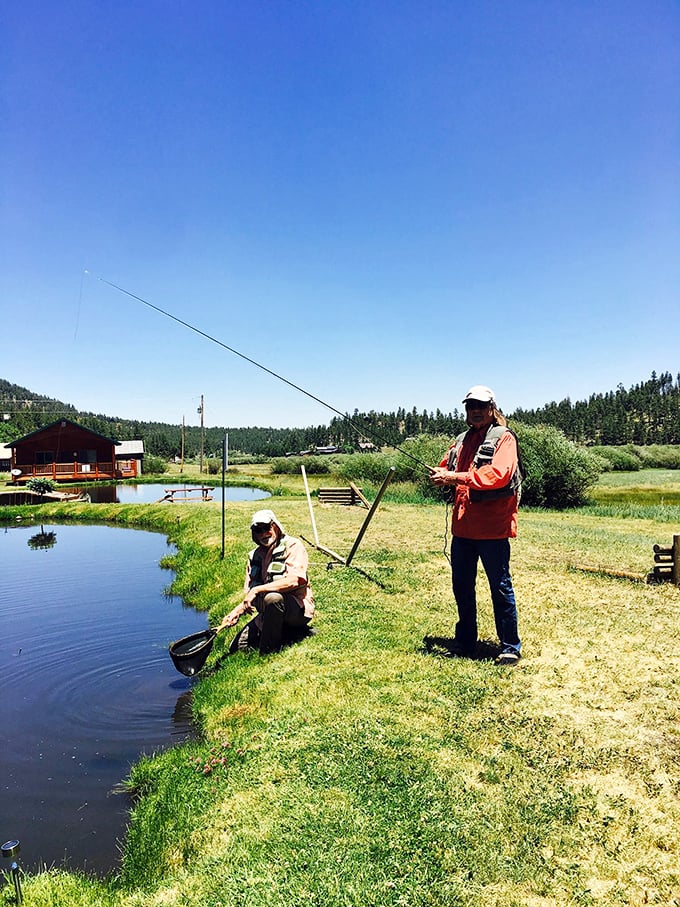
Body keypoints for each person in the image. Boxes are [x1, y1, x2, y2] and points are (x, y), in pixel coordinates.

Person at [429, 385, 522, 665]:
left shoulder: (504, 438)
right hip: (462, 528)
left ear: (492, 408)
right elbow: (447, 467)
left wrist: (454, 477)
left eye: (481, 406)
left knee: (500, 586)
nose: (476, 411)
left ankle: (510, 646)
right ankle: (466, 641)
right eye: (471, 407)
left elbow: (498, 475)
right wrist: (439, 473)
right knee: (462, 586)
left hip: (493, 528)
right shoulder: (461, 440)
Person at [218, 509, 315, 654]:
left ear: (275, 526)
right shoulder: (255, 556)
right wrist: (235, 613)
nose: (264, 534)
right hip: (267, 614)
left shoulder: (293, 545)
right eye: (258, 530)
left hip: (296, 611)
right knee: (238, 647)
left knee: (273, 598)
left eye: (267, 528)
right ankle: (291, 634)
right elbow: (250, 595)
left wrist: (257, 590)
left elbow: (294, 580)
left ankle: (268, 652)